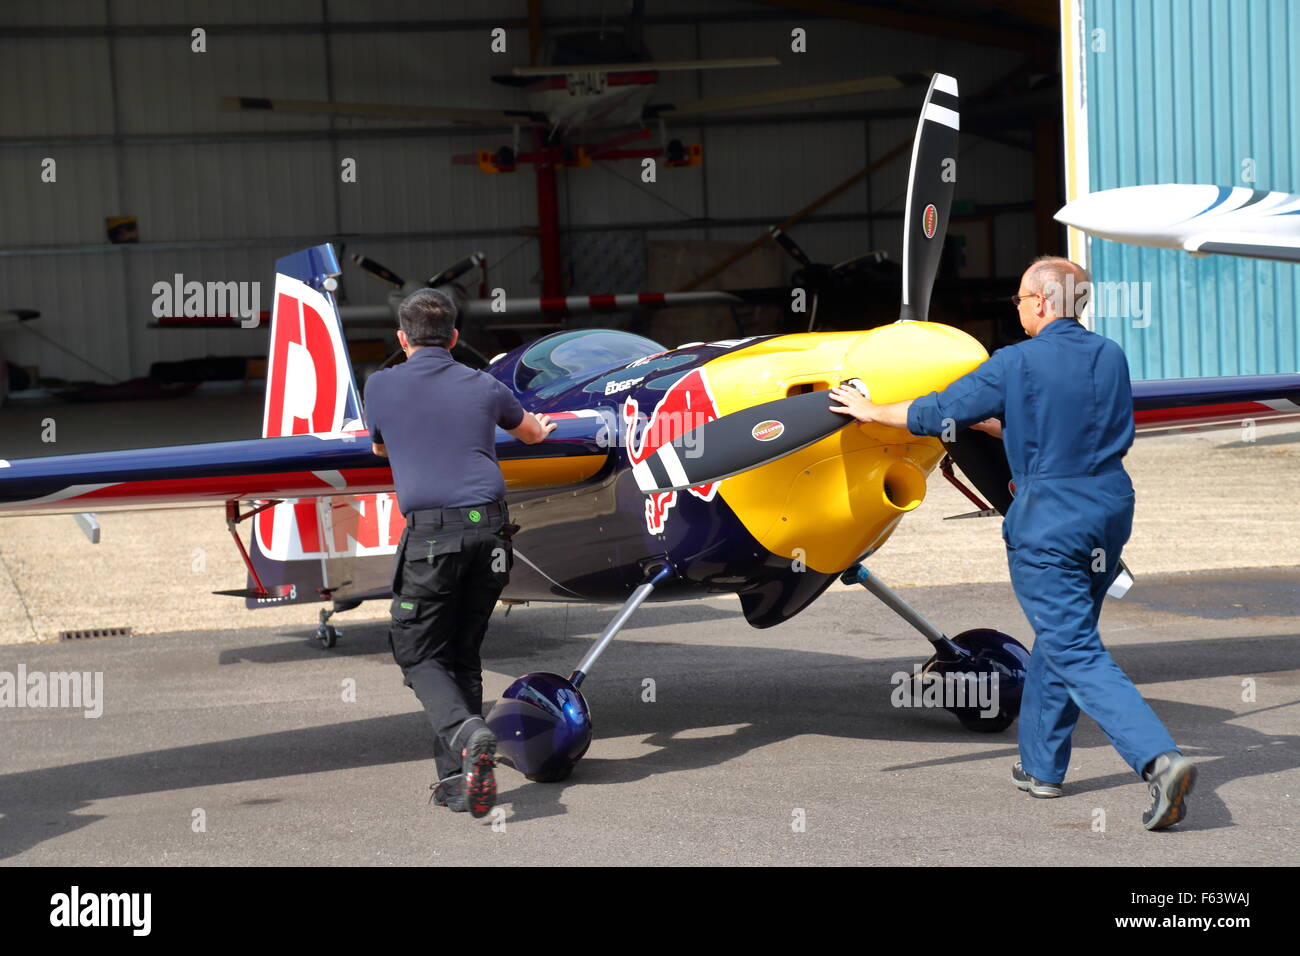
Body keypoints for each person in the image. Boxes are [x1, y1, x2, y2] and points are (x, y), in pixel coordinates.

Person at [828, 256, 1196, 831]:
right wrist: (996, 426)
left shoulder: (1016, 362)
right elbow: (1064, 423)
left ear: (1045, 303)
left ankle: (1160, 761)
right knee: (1062, 636)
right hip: (1108, 509)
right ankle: (1042, 769)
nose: (1018, 308)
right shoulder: (1110, 356)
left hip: (1049, 517)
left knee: (1073, 648)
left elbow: (936, 412)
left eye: (1022, 299)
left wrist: (870, 410)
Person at [364, 288, 555, 818]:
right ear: (453, 338)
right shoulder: (484, 383)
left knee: (418, 652)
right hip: (491, 534)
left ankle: (470, 735)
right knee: (462, 654)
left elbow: (379, 447)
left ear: (402, 340)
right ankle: (457, 781)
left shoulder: (380, 384)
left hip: (433, 537)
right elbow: (535, 434)